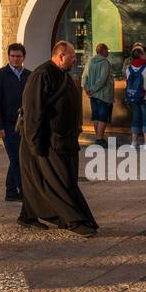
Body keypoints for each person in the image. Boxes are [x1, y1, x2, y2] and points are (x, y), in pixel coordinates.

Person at [18, 40, 98, 237]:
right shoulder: (42, 74)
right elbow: (33, 110)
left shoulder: (62, 74)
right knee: (60, 182)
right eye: (72, 57)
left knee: (55, 180)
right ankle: (74, 220)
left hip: (65, 140)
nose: (75, 60)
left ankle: (29, 215)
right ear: (60, 56)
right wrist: (34, 142)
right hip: (46, 142)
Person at [0, 43, 30, 202]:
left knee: (18, 157)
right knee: (16, 159)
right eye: (12, 56)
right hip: (7, 124)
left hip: (25, 124)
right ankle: (24, 191)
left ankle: (11, 191)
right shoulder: (0, 75)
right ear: (8, 56)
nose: (15, 59)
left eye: (18, 56)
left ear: (23, 57)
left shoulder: (29, 75)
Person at [83, 43, 115, 142]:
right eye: (107, 51)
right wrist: (92, 89)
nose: (108, 53)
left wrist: (87, 89)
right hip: (104, 95)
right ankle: (99, 139)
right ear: (103, 51)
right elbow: (102, 79)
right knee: (103, 118)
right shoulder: (105, 62)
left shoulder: (90, 62)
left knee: (96, 117)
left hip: (93, 96)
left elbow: (84, 77)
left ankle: (98, 137)